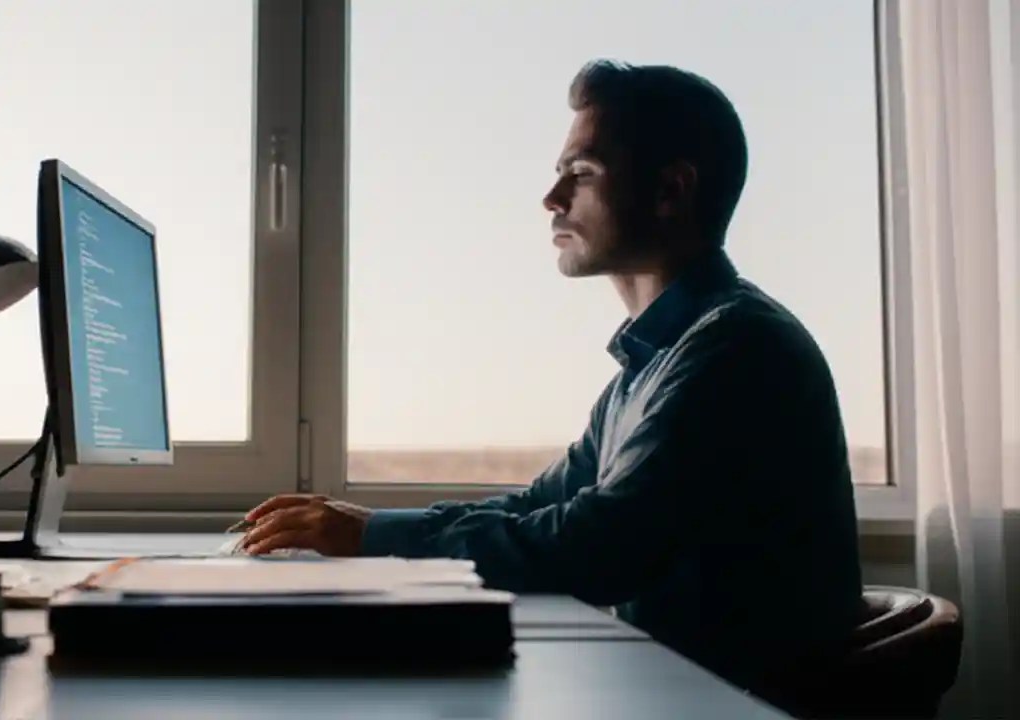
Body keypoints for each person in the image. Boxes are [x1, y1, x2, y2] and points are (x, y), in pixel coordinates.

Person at [237, 59, 863, 695]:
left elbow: (597, 547)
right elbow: (539, 509)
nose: (552, 198)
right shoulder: (650, 366)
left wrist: (371, 536)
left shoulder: (735, 350)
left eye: (581, 174)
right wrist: (370, 528)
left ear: (670, 191)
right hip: (674, 690)